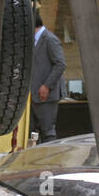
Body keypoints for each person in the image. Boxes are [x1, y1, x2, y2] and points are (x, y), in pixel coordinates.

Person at [30, 12, 66, 142]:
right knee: (32, 132)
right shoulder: (34, 40)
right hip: (33, 96)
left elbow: (60, 64)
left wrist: (46, 86)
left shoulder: (50, 39)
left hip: (46, 95)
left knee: (48, 131)